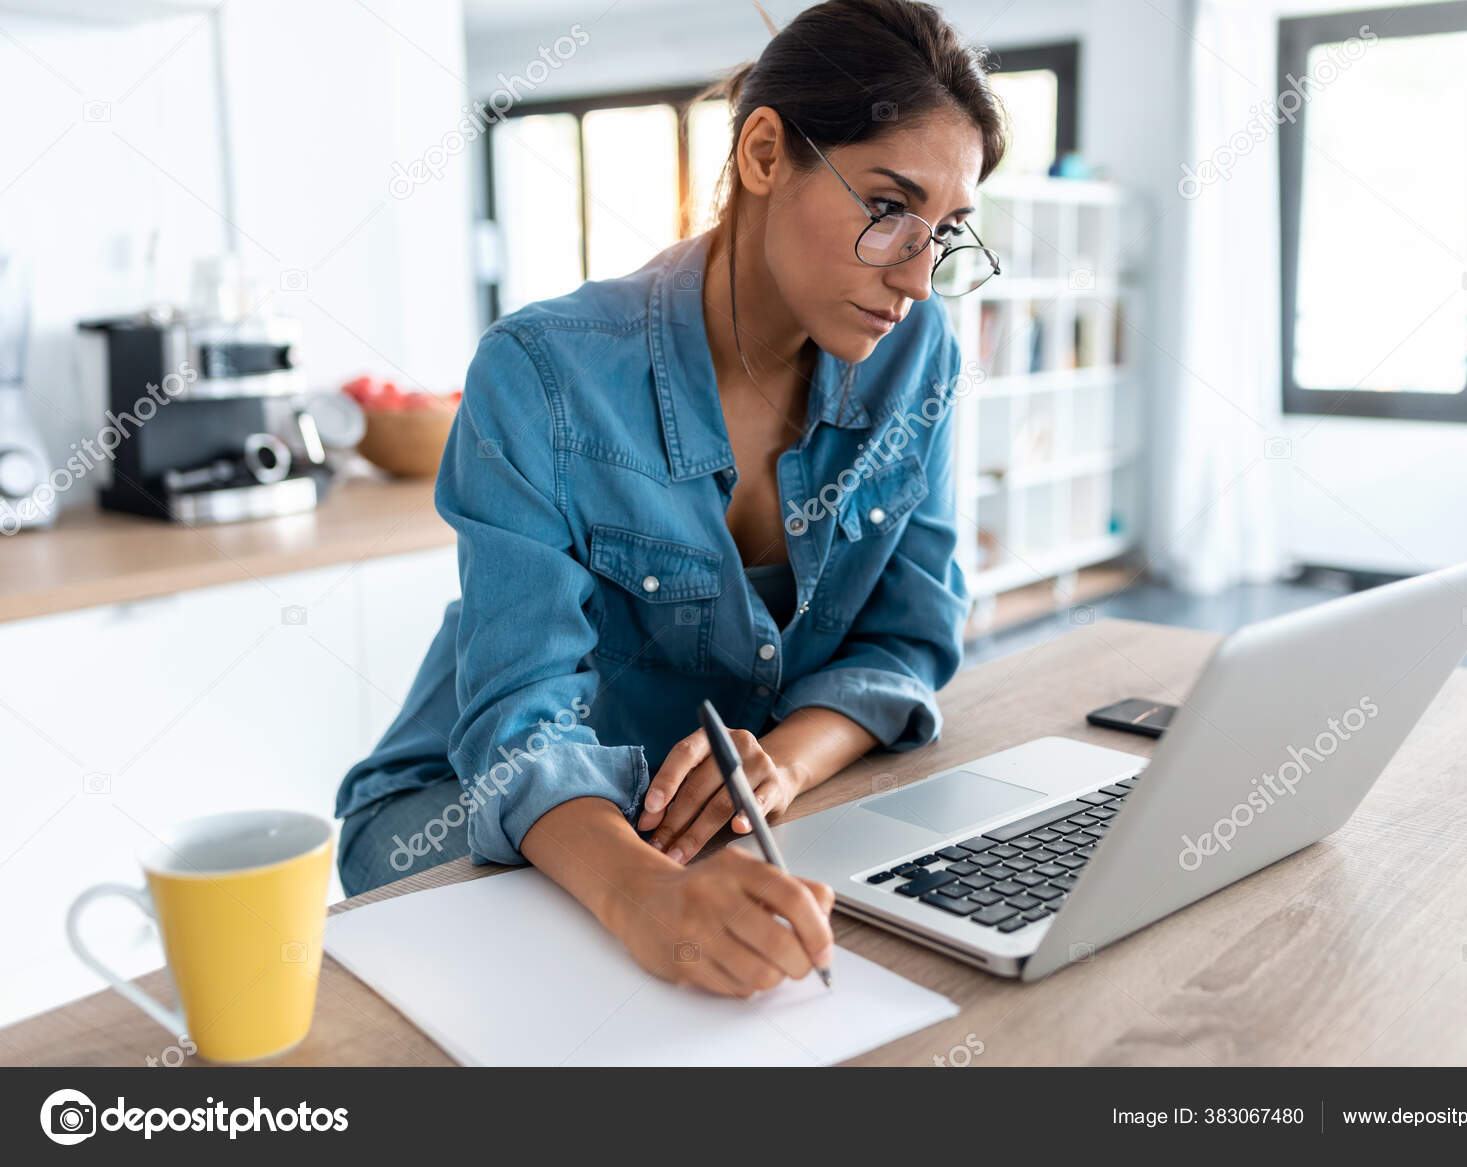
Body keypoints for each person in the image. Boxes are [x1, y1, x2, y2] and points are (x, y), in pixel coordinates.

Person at [334, 0, 1008, 998]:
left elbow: (909, 636)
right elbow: (519, 723)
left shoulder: (917, 356)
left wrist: (780, 766)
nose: (916, 275)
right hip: (482, 821)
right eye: (885, 208)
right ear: (766, 152)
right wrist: (646, 900)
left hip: (708, 829)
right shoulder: (544, 372)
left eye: (944, 231)